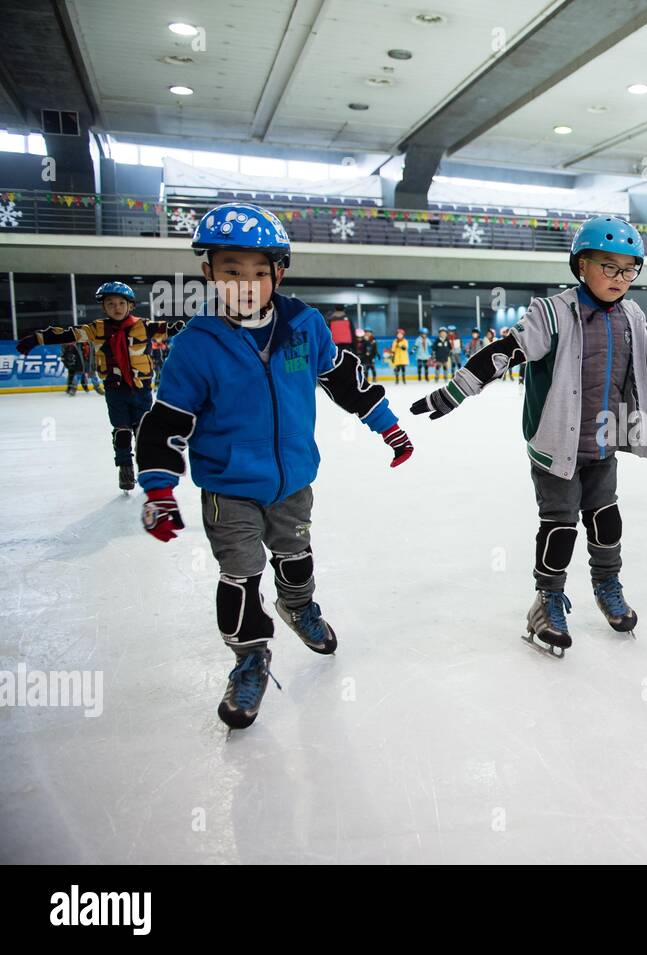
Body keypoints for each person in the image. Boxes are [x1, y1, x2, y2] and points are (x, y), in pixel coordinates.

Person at [135, 202, 414, 730]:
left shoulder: (304, 327)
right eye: (230, 271)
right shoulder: (196, 346)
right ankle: (249, 658)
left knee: (295, 555)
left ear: (278, 273)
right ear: (208, 273)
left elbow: (344, 381)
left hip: (293, 481)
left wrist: (387, 426)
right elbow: (166, 422)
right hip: (229, 487)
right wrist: (158, 489)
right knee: (239, 574)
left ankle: (298, 605)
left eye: (258, 272)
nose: (245, 283)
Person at [407, 215, 647, 657]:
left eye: (630, 269)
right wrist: (453, 392)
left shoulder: (632, 316)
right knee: (560, 525)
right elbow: (503, 352)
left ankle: (607, 585)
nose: (620, 277)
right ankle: (547, 601)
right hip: (556, 444)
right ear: (580, 265)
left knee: (606, 518)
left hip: (606, 441)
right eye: (608, 266)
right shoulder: (551, 314)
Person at [17, 281, 182, 491]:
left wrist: (192, 326)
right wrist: (36, 339)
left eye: (122, 303)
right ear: (103, 307)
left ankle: (147, 469)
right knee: (121, 430)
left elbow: (173, 329)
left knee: (143, 431)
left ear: (130, 306)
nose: (117, 307)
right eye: (111, 303)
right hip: (115, 390)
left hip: (141, 389)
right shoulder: (97, 329)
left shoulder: (144, 326)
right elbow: (68, 334)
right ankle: (125, 468)